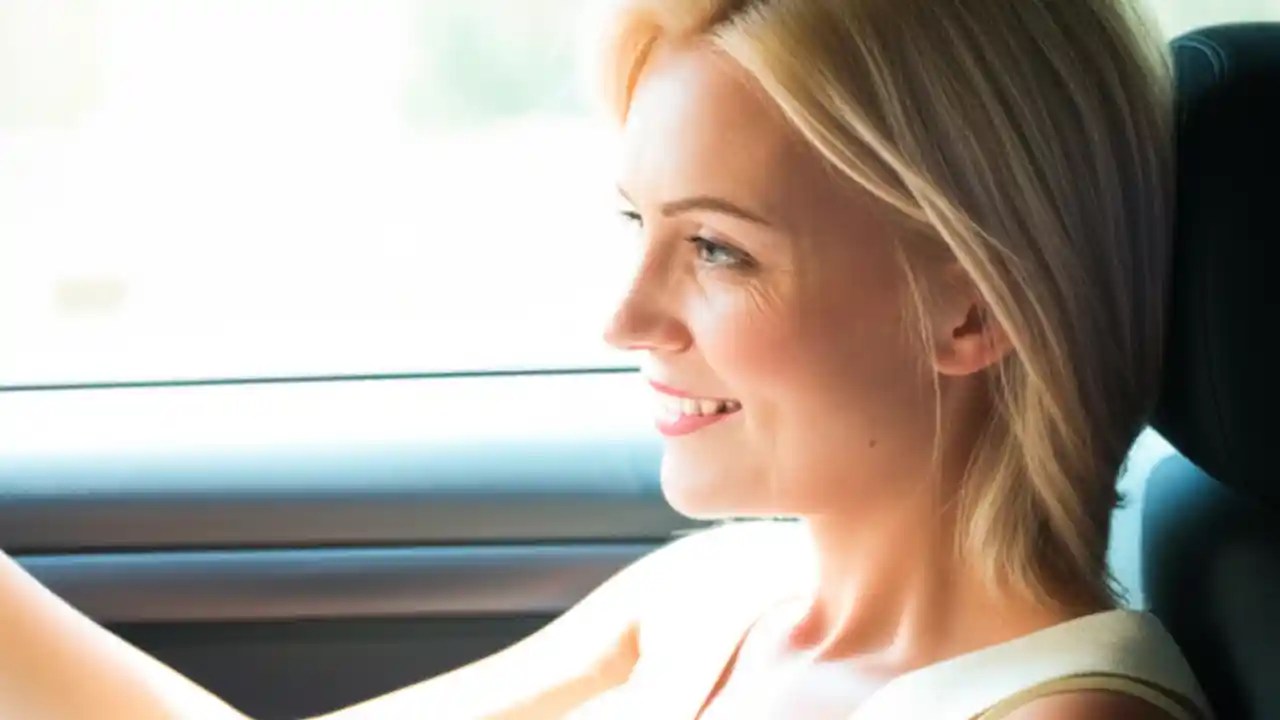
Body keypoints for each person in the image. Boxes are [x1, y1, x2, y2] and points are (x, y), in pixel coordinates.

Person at [0, 0, 1214, 717]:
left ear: (968, 310)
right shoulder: (712, 600)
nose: (624, 319)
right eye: (640, 226)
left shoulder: (1060, 715)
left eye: (719, 251)